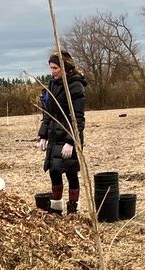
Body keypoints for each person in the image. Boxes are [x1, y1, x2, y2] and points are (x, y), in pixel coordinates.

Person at [36, 51, 87, 215]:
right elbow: (48, 113)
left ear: (65, 67)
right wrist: (43, 135)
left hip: (68, 135)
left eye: (56, 68)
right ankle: (56, 208)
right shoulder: (52, 83)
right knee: (54, 171)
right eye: (51, 68)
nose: (53, 71)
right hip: (53, 134)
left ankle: (73, 209)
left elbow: (78, 118)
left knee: (71, 171)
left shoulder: (75, 86)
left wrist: (72, 141)